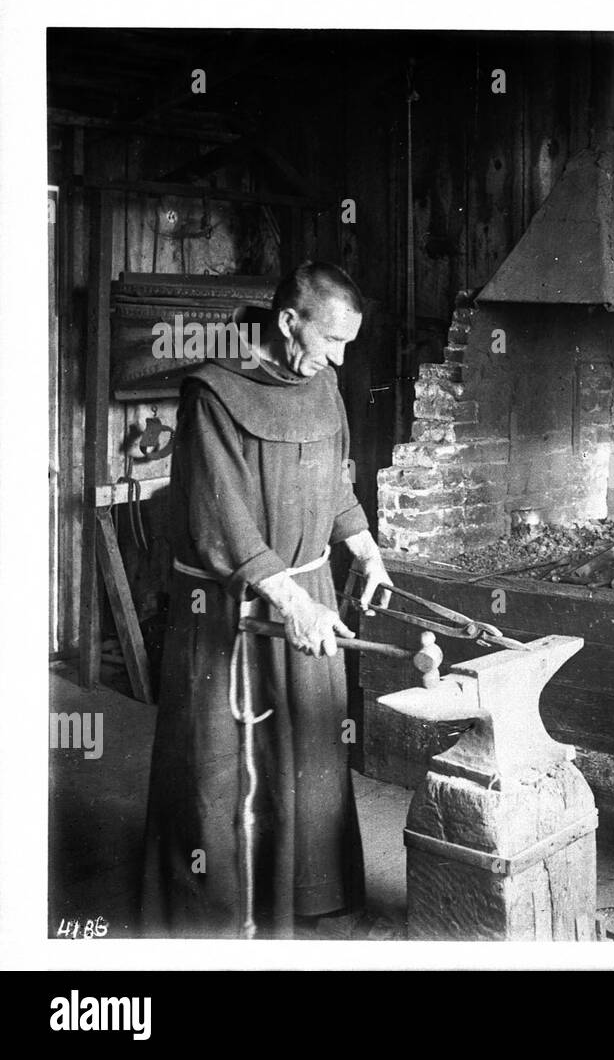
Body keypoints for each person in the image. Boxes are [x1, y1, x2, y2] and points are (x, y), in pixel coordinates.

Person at [141, 262, 393, 939]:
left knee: (310, 753)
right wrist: (288, 600)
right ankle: (221, 921)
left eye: (348, 343)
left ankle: (307, 896)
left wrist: (366, 548)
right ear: (288, 323)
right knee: (221, 770)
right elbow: (220, 515)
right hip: (232, 607)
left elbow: (334, 478)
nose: (339, 358)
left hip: (306, 592)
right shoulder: (215, 392)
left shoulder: (324, 382)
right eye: (331, 340)